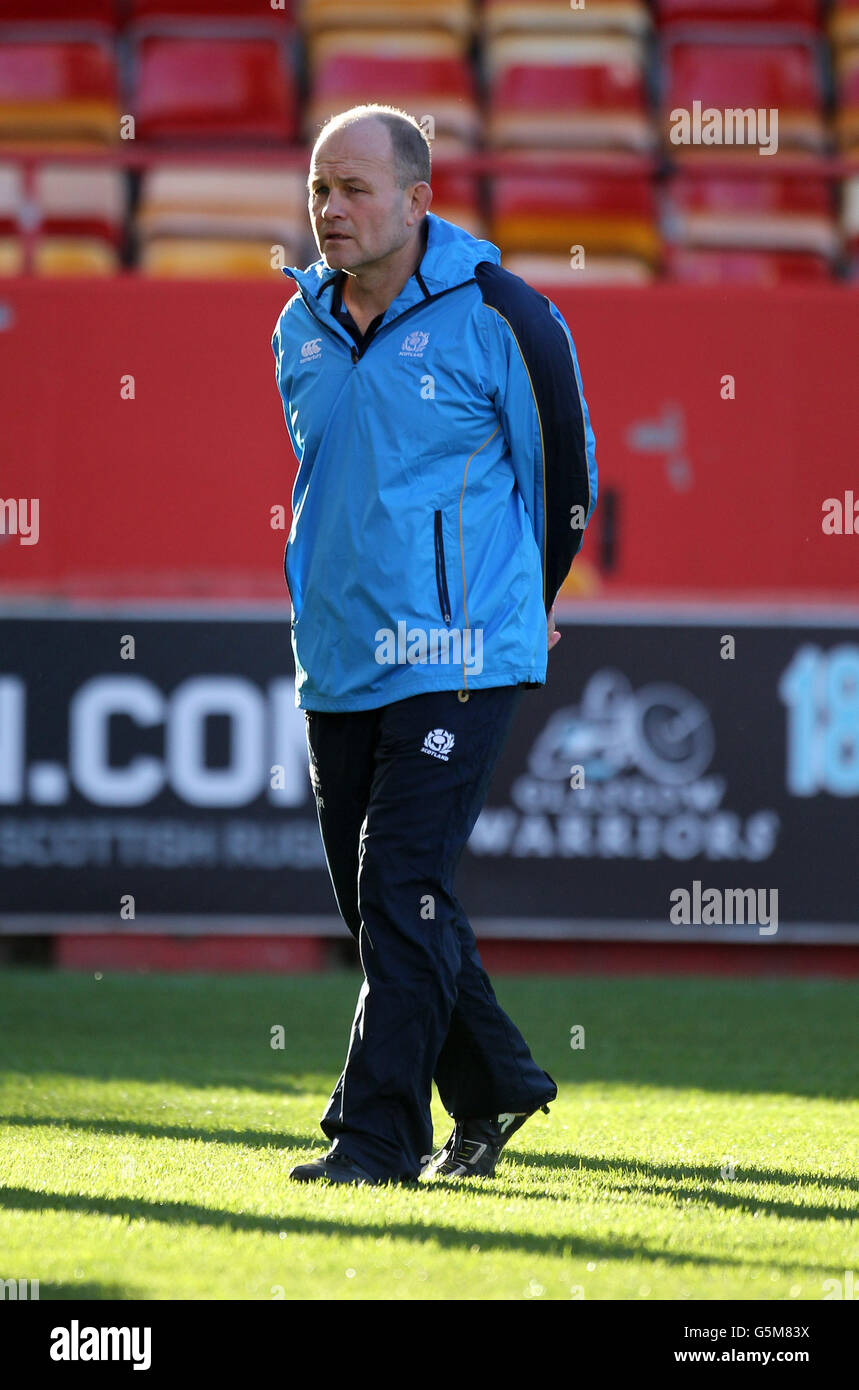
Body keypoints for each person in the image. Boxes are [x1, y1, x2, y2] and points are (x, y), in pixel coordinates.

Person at [271, 105, 597, 1186]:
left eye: (355, 188)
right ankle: (496, 1081)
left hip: (462, 653)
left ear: (419, 199)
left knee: (399, 878)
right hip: (340, 656)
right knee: (387, 903)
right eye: (321, 188)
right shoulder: (297, 326)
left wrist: (523, 600)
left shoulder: (506, 313)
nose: (331, 209)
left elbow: (565, 482)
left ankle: (375, 1140)